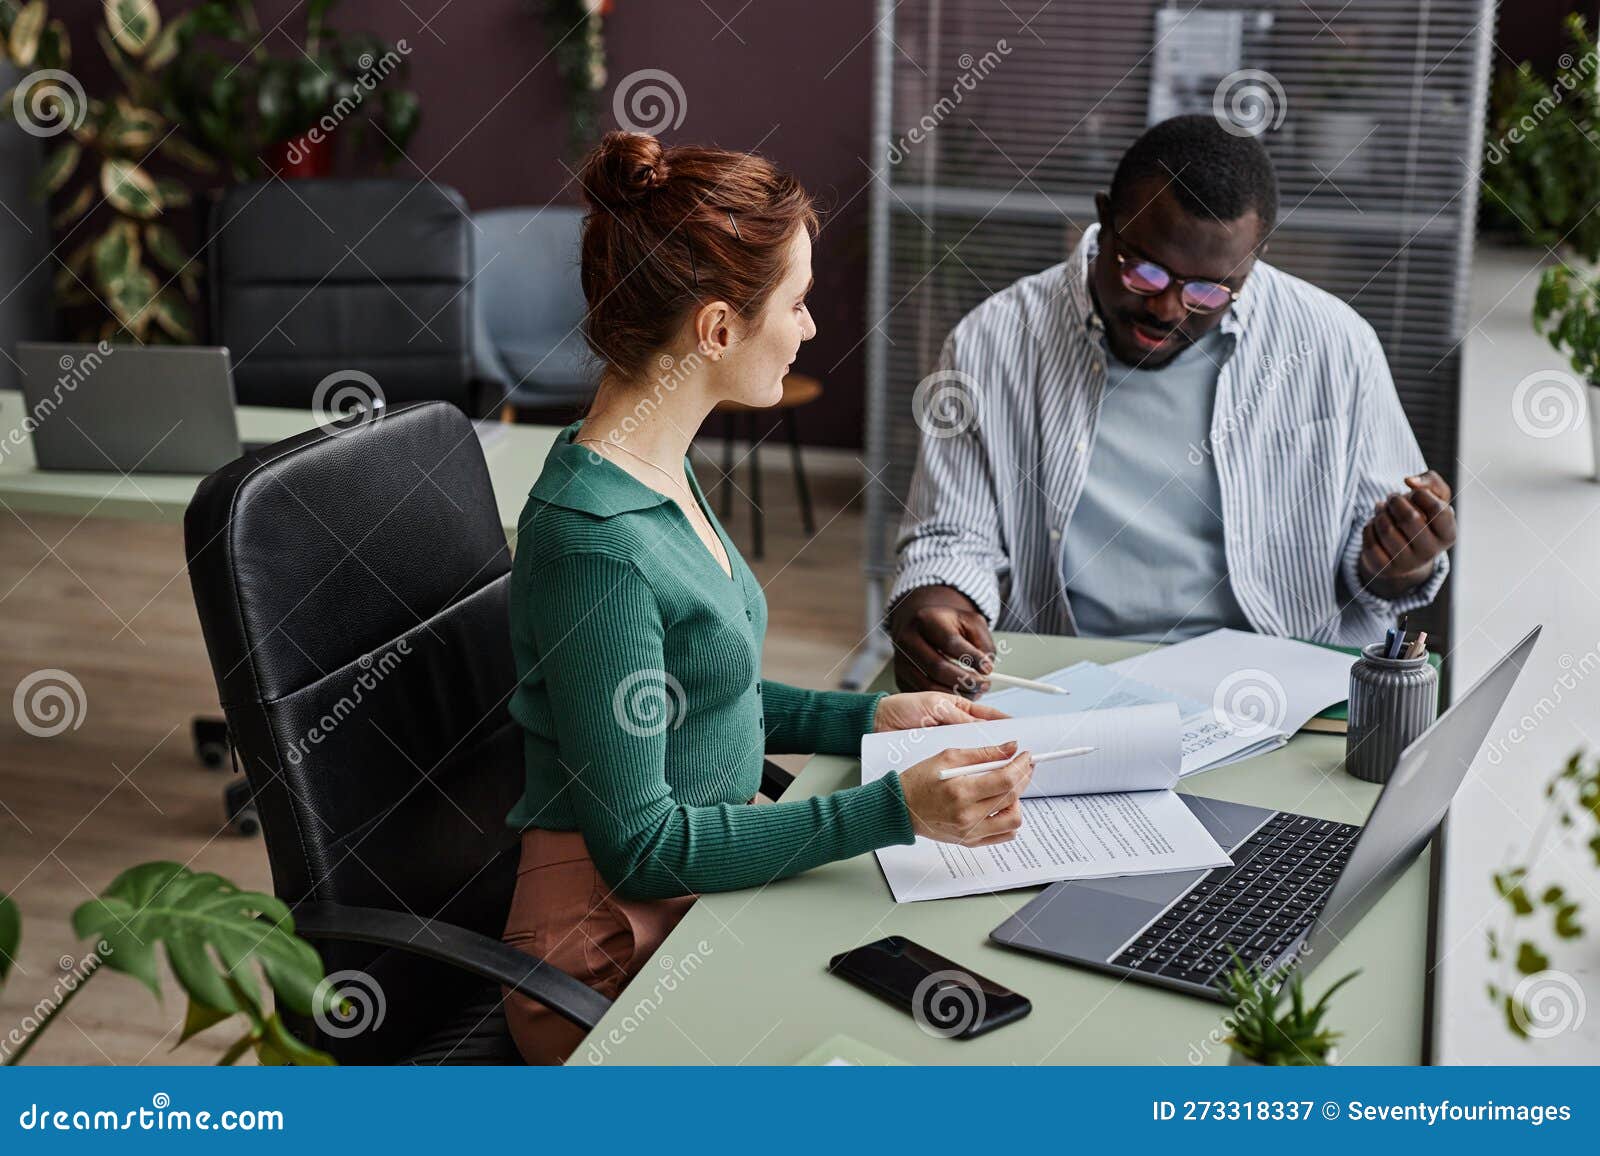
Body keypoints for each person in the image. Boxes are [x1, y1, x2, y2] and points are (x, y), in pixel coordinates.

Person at [501, 131, 1035, 1064]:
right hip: (607, 960)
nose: (809, 327)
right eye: (796, 302)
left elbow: (704, 694)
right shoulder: (595, 541)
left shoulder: (655, 468)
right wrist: (893, 809)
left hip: (706, 885)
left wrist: (873, 718)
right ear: (715, 329)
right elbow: (642, 850)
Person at [889, 114, 1456, 694]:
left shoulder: (1335, 344)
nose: (1168, 308)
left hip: (1278, 690)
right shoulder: (994, 341)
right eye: (1145, 271)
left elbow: (1384, 574)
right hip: (1061, 683)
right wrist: (938, 598)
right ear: (1105, 218)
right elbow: (952, 535)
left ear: (1251, 264)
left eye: (1207, 289)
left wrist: (1401, 560)